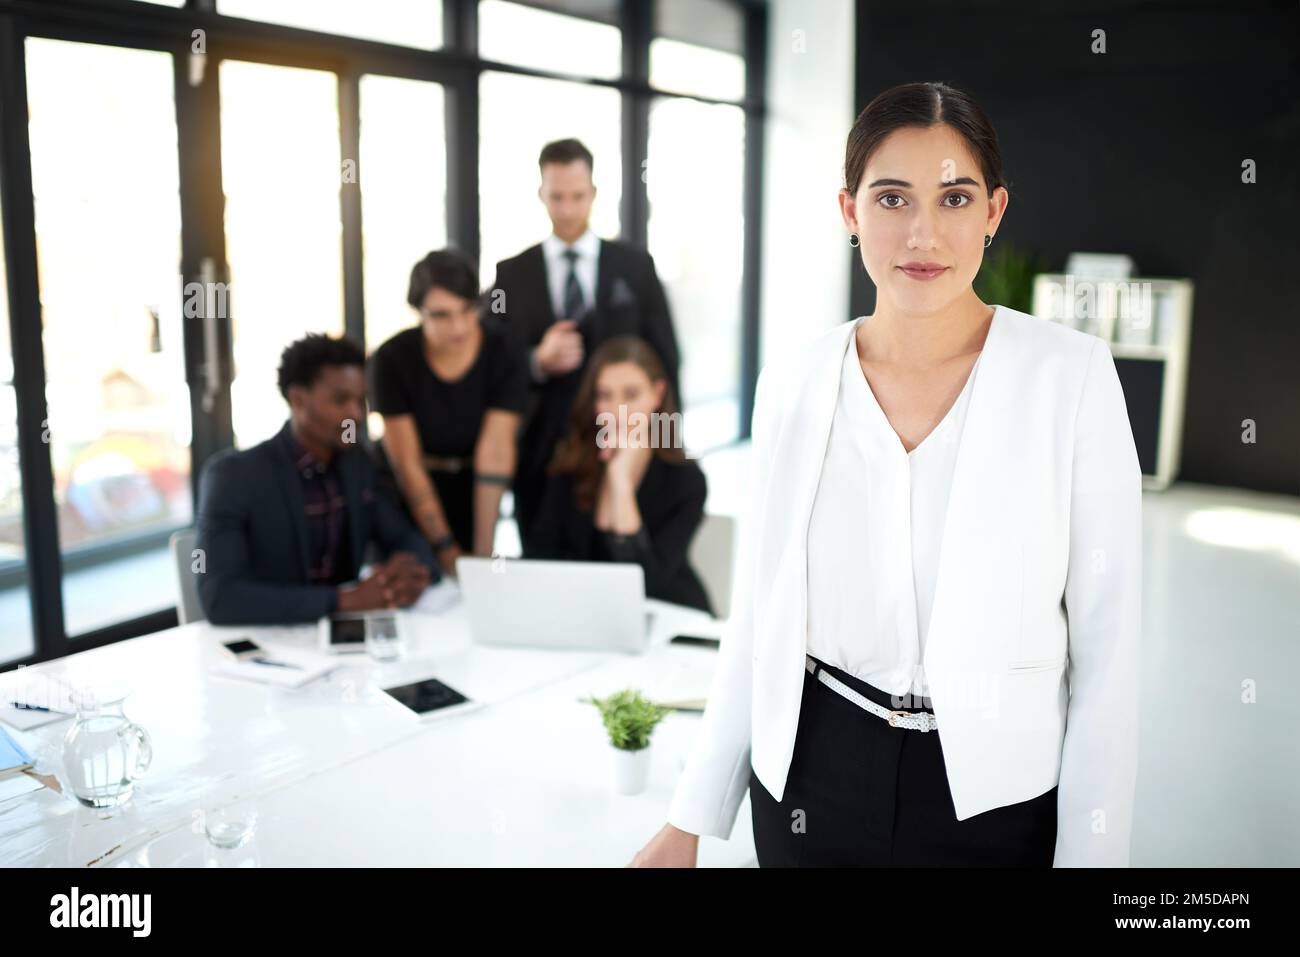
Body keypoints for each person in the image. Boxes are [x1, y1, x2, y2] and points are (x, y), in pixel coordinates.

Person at [631, 81, 1142, 867]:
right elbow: (759, 619)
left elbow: (1109, 655)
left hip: (991, 796)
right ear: (849, 212)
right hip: (811, 781)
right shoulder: (793, 382)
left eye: (955, 198)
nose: (923, 234)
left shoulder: (1069, 379)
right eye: (893, 198)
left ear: (994, 213)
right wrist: (690, 816)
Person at [490, 137, 682, 555]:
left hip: (622, 443)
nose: (568, 209)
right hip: (542, 455)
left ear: (593, 193)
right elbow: (493, 366)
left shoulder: (635, 266)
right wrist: (536, 361)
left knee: (623, 552)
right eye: (556, 197)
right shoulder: (510, 275)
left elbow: (666, 360)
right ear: (541, 194)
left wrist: (669, 443)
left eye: (578, 196)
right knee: (543, 562)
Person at [196, 334, 437, 626]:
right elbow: (220, 598)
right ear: (297, 399)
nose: (355, 414)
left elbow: (406, 538)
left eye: (360, 401)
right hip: (270, 644)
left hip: (344, 646)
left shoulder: (358, 463)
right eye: (341, 400)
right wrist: (344, 601)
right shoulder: (234, 475)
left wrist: (408, 574)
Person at [369, 249, 527, 578]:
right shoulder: (392, 359)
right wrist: (444, 547)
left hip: (474, 486)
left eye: (467, 310)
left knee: (478, 579)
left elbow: (495, 454)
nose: (458, 326)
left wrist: (482, 556)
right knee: (415, 579)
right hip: (408, 492)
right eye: (441, 315)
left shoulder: (503, 350)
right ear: (419, 311)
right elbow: (407, 464)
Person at [528, 336, 711, 614]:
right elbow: (540, 558)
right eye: (604, 396)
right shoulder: (570, 463)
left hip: (669, 617)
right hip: (585, 617)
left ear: (657, 394)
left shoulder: (686, 480)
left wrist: (620, 482)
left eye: (631, 394)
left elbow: (647, 584)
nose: (617, 411)